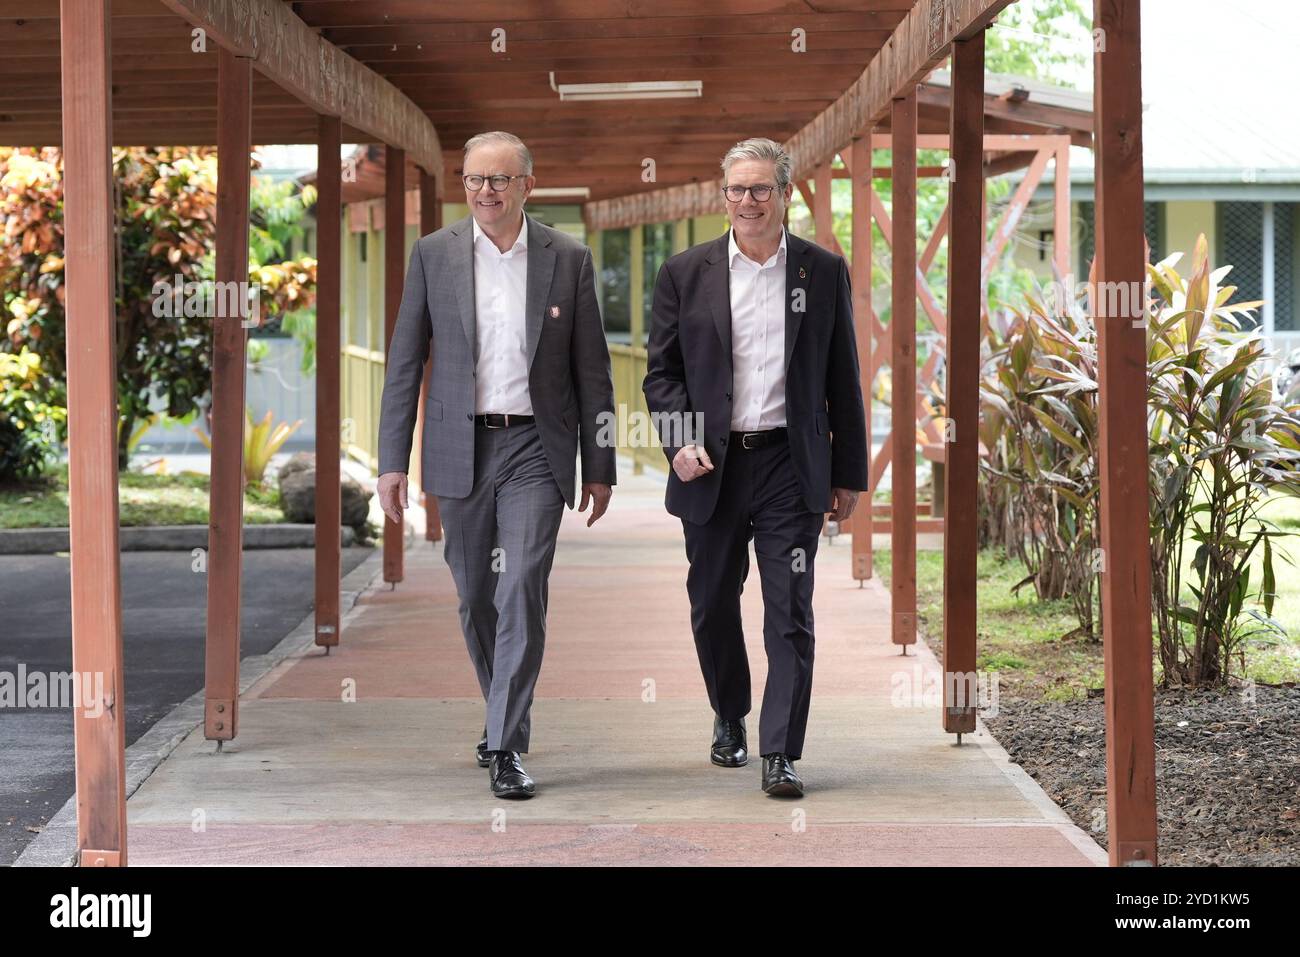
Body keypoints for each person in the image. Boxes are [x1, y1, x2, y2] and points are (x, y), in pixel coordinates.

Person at [377, 131, 616, 799]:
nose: (486, 190)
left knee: (522, 588)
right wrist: (391, 460)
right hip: (461, 448)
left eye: (500, 179)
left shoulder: (567, 258)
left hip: (537, 450)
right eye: (475, 178)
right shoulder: (434, 255)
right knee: (476, 595)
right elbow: (403, 364)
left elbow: (593, 372)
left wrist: (600, 463)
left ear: (527, 186)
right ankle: (499, 714)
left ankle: (506, 743)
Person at [642, 137, 868, 797]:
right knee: (712, 603)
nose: (748, 200)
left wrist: (847, 473)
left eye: (761, 188)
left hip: (788, 468)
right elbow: (663, 374)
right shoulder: (686, 273)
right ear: (724, 195)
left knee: (788, 610)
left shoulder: (821, 272)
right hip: (709, 466)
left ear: (785, 193)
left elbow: (842, 377)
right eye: (737, 189)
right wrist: (680, 440)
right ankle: (729, 709)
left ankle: (780, 751)